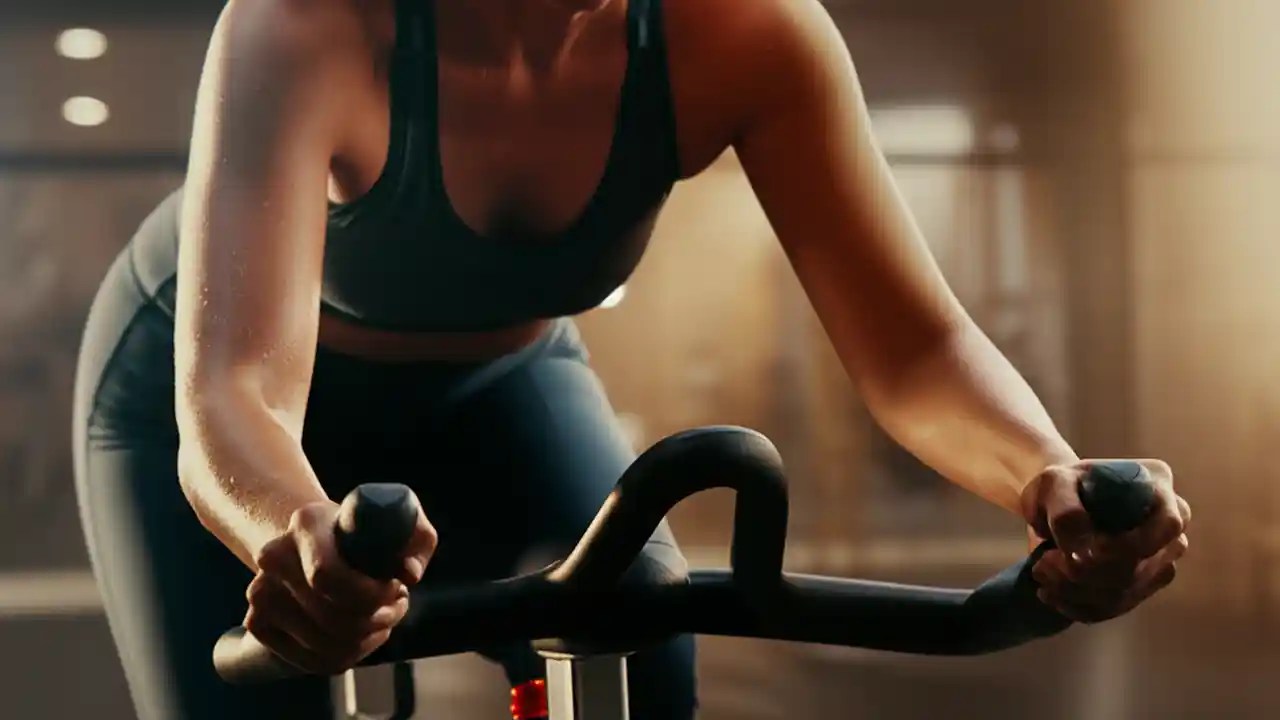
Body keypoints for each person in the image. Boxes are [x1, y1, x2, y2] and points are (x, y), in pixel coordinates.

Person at [71, 0, 1192, 718]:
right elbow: (236, 388)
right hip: (224, 415)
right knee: (252, 699)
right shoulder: (306, 24)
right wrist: (286, 531)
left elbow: (916, 349)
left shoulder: (749, 32)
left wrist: (1049, 484)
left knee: (638, 650)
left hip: (498, 385)